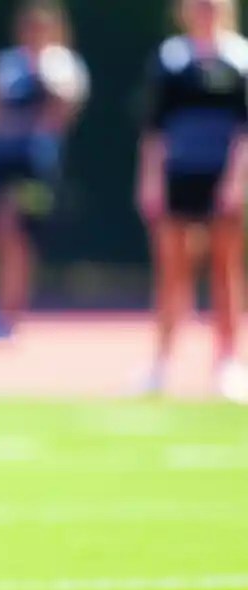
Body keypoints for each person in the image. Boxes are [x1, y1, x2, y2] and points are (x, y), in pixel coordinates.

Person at [0, 0, 88, 338]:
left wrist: (40, 80)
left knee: (14, 235)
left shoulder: (63, 65)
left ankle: (7, 317)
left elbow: (63, 111)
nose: (34, 32)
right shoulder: (4, 65)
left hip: (35, 163)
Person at [137, 0, 248, 401]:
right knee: (172, 271)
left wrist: (236, 181)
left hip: (223, 177)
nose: (204, 11)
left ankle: (228, 364)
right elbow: (155, 127)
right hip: (179, 175)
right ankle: (162, 363)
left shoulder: (240, 58)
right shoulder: (171, 59)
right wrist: (150, 180)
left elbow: (244, 129)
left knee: (225, 270)